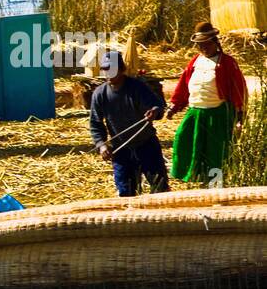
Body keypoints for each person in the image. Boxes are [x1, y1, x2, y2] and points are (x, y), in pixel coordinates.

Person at [166, 21, 247, 184]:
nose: (203, 48)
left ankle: (215, 184)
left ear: (215, 42)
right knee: (183, 139)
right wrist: (174, 105)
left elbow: (239, 88)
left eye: (206, 44)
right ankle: (193, 177)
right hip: (195, 112)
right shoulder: (195, 62)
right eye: (199, 45)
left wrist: (239, 114)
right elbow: (183, 85)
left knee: (215, 152)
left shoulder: (226, 62)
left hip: (217, 114)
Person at [88, 49, 169, 197]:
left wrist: (155, 111)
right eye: (106, 69)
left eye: (112, 69)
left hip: (146, 145)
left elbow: (157, 106)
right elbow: (95, 123)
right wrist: (101, 145)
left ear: (122, 69)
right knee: (126, 192)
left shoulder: (137, 87)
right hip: (121, 149)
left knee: (159, 188)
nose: (109, 73)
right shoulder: (100, 94)